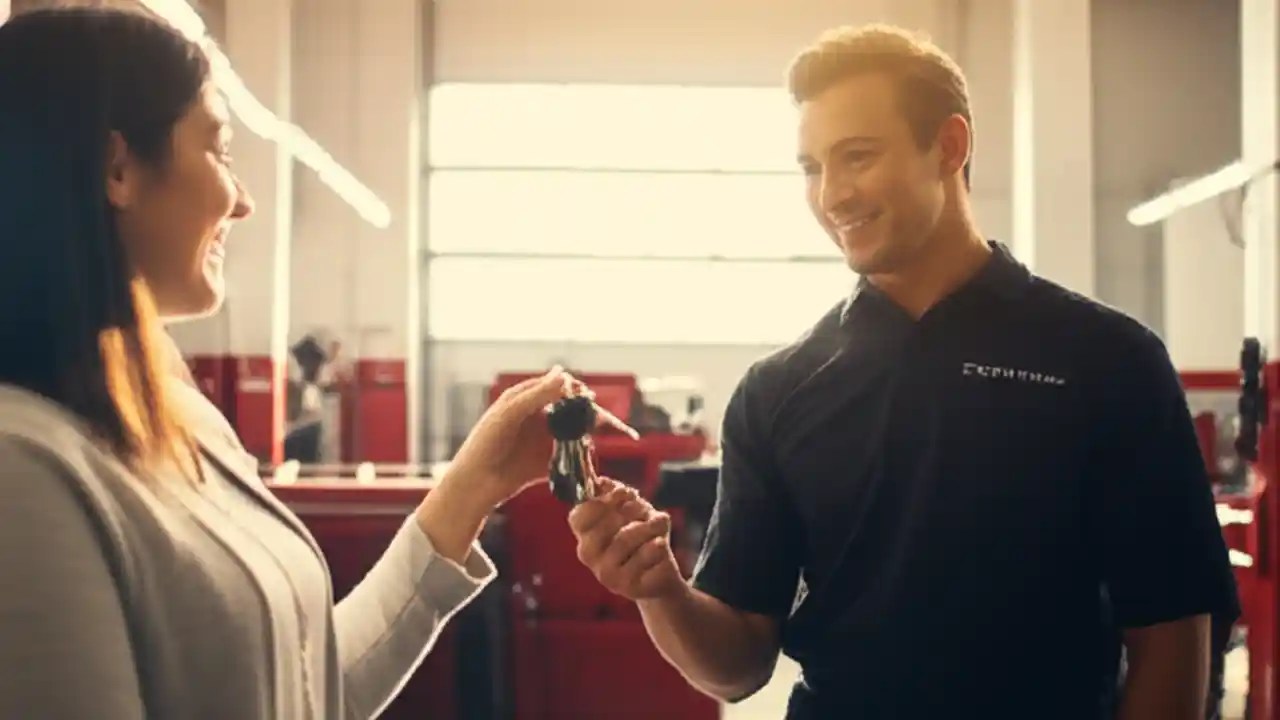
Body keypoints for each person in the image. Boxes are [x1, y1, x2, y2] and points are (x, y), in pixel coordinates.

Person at [568, 24, 1239, 720]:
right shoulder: (779, 390)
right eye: (811, 167)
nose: (832, 195)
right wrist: (660, 591)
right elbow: (737, 667)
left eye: (857, 157)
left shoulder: (1106, 359)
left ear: (949, 146)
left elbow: (1172, 633)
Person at [0, 8, 574, 718]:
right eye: (219, 151)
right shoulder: (21, 470)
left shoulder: (180, 418)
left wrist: (474, 484)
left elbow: (306, 691)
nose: (241, 202)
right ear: (117, 167)